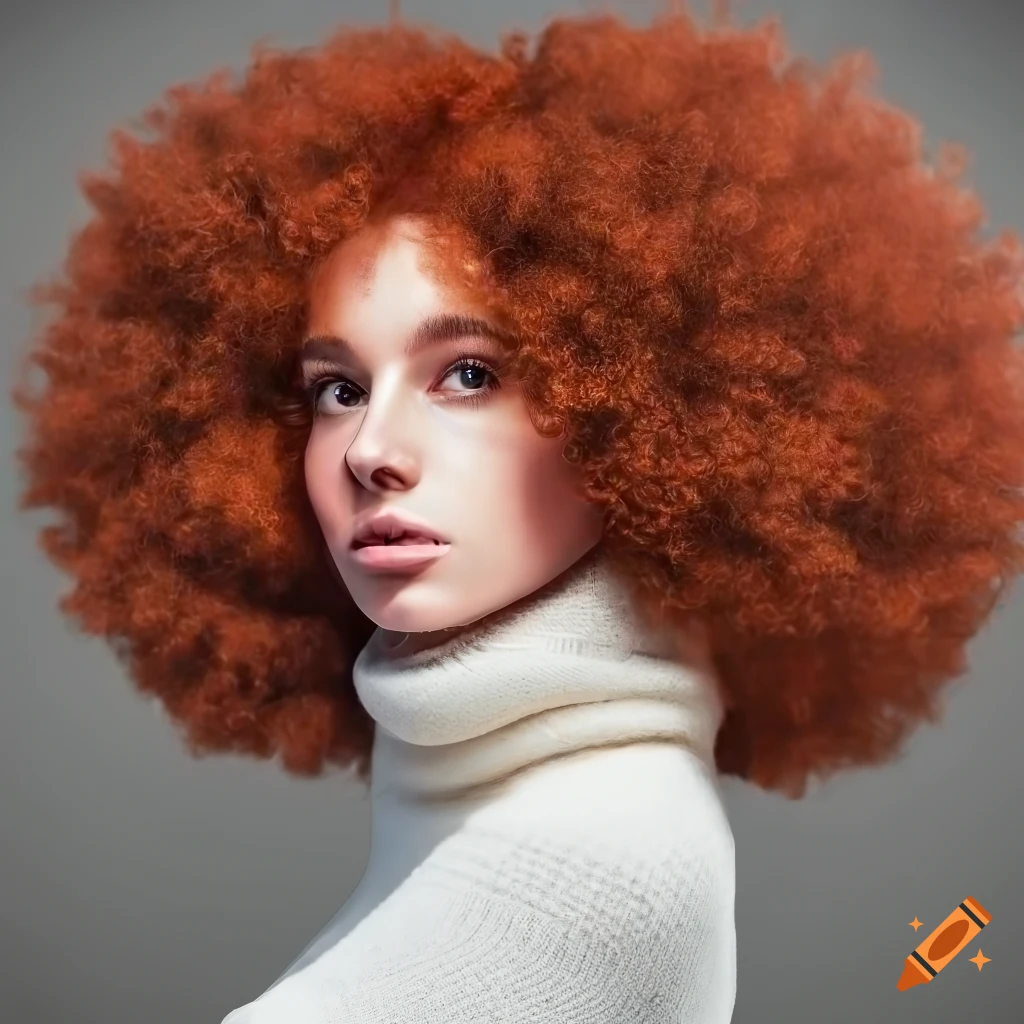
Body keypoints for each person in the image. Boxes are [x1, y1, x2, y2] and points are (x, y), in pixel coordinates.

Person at [11, 6, 1024, 1022]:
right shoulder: (511, 805)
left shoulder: (587, 874)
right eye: (336, 388)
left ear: (642, 403)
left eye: (467, 372)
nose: (370, 451)